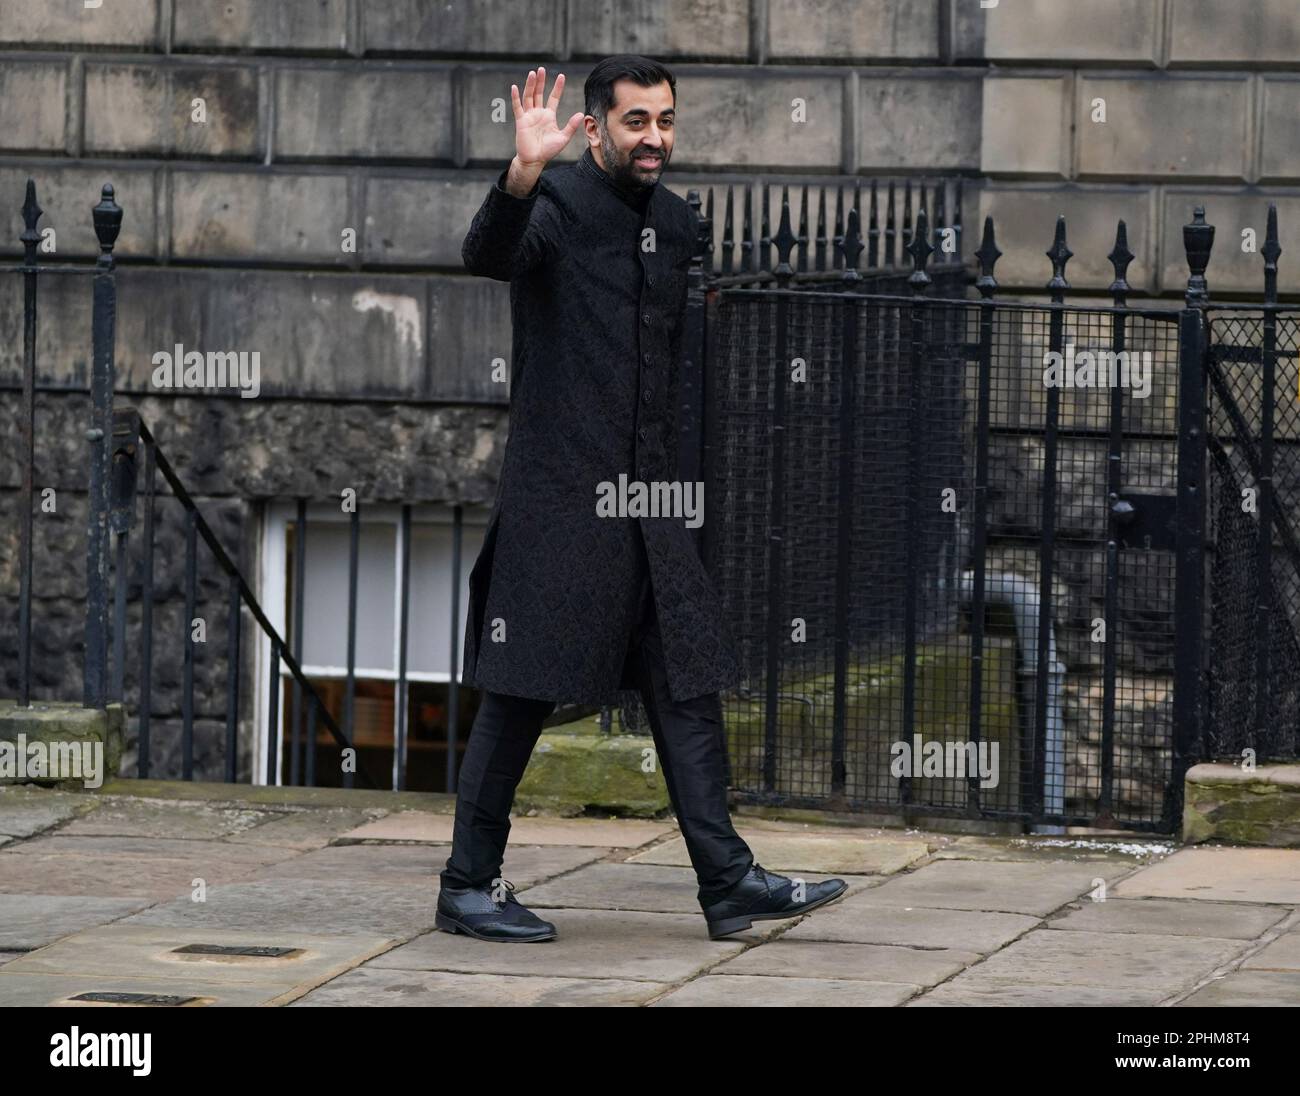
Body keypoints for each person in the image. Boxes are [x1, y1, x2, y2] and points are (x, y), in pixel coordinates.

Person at [436, 55, 847, 942]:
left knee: (684, 684)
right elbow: (490, 256)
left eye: (665, 120)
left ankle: (728, 882)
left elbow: (679, 367)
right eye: (636, 122)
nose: (654, 137)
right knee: (521, 690)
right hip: (563, 498)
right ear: (595, 129)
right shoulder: (556, 205)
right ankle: (468, 885)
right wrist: (520, 174)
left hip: (653, 501)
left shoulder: (677, 222)